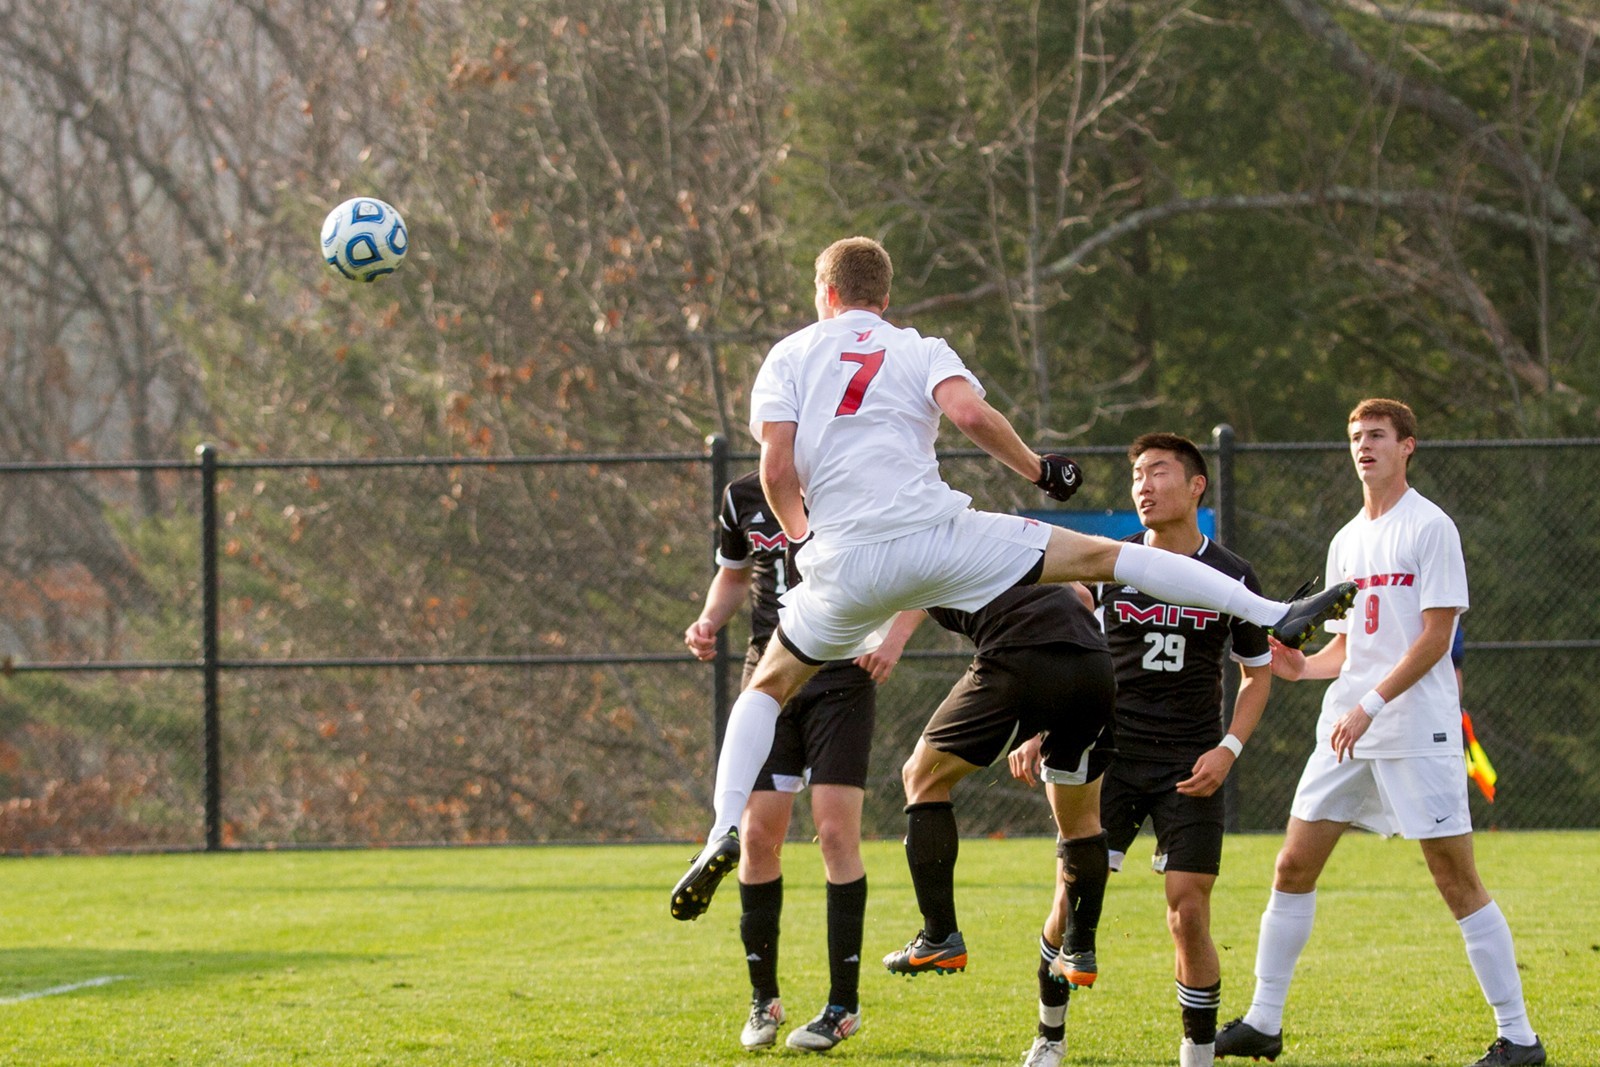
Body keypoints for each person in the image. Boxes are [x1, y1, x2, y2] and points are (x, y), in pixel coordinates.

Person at [671, 235, 1356, 925]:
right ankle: (1270, 610)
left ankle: (721, 829)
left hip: (841, 563)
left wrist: (803, 537)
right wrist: (1037, 469)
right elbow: (969, 416)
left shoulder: (790, 353)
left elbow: (777, 468)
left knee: (765, 688)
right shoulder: (917, 346)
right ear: (885, 296)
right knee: (1102, 557)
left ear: (825, 294)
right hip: (937, 538)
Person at [1215, 398, 1544, 1067]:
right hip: (1346, 724)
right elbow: (1347, 648)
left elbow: (1436, 637)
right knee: (1292, 865)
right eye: (1356, 436)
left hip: (1414, 726)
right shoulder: (1345, 539)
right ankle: (1263, 1021)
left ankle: (1520, 1037)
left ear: (1407, 446)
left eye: (1377, 436)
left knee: (1455, 878)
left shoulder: (1431, 527)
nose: (1364, 445)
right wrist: (1302, 666)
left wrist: (1370, 701)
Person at [1013, 432, 1274, 1067]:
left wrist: (1229, 749)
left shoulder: (1233, 576)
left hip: (1191, 765)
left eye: (1158, 472)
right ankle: (1049, 1039)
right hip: (1109, 756)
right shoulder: (1110, 562)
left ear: (1195, 488)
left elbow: (1257, 672)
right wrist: (1038, 724)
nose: (1143, 485)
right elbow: (1062, 654)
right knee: (1073, 900)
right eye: (1136, 475)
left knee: (1188, 911)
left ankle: (1197, 1056)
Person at [683, 469, 919, 1052]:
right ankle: (763, 1000)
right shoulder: (742, 494)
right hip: (770, 676)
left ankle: (843, 1005)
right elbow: (735, 574)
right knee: (758, 836)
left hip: (843, 673)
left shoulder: (860, 477)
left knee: (836, 833)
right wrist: (711, 619)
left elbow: (920, 568)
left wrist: (892, 638)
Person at [881, 582, 1115, 1067]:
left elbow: (873, 591)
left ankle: (939, 936)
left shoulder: (909, 540)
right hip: (1094, 662)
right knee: (1080, 823)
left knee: (920, 777)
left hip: (1017, 656)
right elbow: (1082, 596)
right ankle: (1080, 948)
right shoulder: (1009, 535)